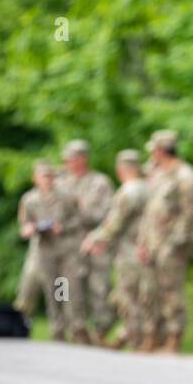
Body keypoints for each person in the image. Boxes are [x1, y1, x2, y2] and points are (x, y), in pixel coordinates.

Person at [134, 130, 193, 353]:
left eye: (153, 150)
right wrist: (142, 242)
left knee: (171, 292)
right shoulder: (159, 175)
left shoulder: (185, 176)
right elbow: (149, 213)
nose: (152, 154)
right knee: (148, 292)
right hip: (152, 244)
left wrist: (175, 244)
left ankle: (174, 338)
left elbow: (189, 214)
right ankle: (152, 336)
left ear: (161, 150)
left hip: (171, 246)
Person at [83, 149, 151, 350]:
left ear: (120, 169)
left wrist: (94, 239)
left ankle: (135, 339)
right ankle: (126, 336)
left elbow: (115, 223)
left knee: (128, 297)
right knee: (141, 296)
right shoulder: (148, 188)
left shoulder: (127, 192)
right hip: (145, 249)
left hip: (130, 251)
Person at [18, 160, 84, 343]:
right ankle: (58, 330)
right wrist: (30, 229)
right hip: (45, 250)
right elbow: (24, 226)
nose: (47, 180)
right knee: (53, 290)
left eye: (50, 176)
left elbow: (79, 220)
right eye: (43, 176)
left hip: (65, 249)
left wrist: (62, 227)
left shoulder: (66, 196)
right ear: (35, 178)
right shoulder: (29, 200)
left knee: (69, 289)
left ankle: (77, 329)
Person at [57, 139, 115, 343]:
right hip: (68, 244)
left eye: (71, 159)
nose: (67, 163)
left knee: (99, 287)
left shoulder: (100, 183)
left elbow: (108, 214)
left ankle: (101, 330)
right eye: (66, 160)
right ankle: (75, 328)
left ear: (82, 159)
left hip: (95, 241)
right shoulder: (61, 183)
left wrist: (83, 209)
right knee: (68, 287)